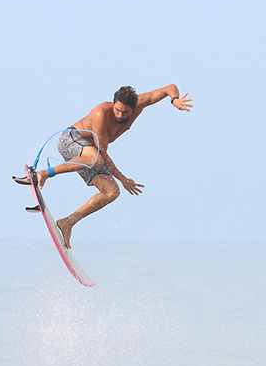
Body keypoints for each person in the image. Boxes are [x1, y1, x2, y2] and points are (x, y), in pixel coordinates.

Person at [16, 84, 192, 247]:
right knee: (97, 160)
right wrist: (123, 178)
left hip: (89, 153)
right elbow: (101, 155)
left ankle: (68, 222)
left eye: (126, 112)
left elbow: (168, 88)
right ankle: (44, 173)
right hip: (71, 140)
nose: (121, 115)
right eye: (118, 110)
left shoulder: (140, 103)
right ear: (114, 103)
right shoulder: (101, 113)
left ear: (134, 107)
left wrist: (174, 99)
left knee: (111, 192)